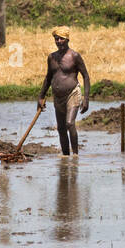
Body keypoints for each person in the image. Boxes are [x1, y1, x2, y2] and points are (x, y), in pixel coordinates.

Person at [37, 26, 90, 155]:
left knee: (69, 123)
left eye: (61, 39)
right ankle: (66, 157)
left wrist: (86, 99)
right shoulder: (51, 58)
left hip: (72, 93)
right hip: (58, 97)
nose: (58, 41)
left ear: (67, 40)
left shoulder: (74, 56)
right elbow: (49, 77)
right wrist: (41, 96)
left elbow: (86, 76)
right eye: (56, 39)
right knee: (61, 129)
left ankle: (76, 155)